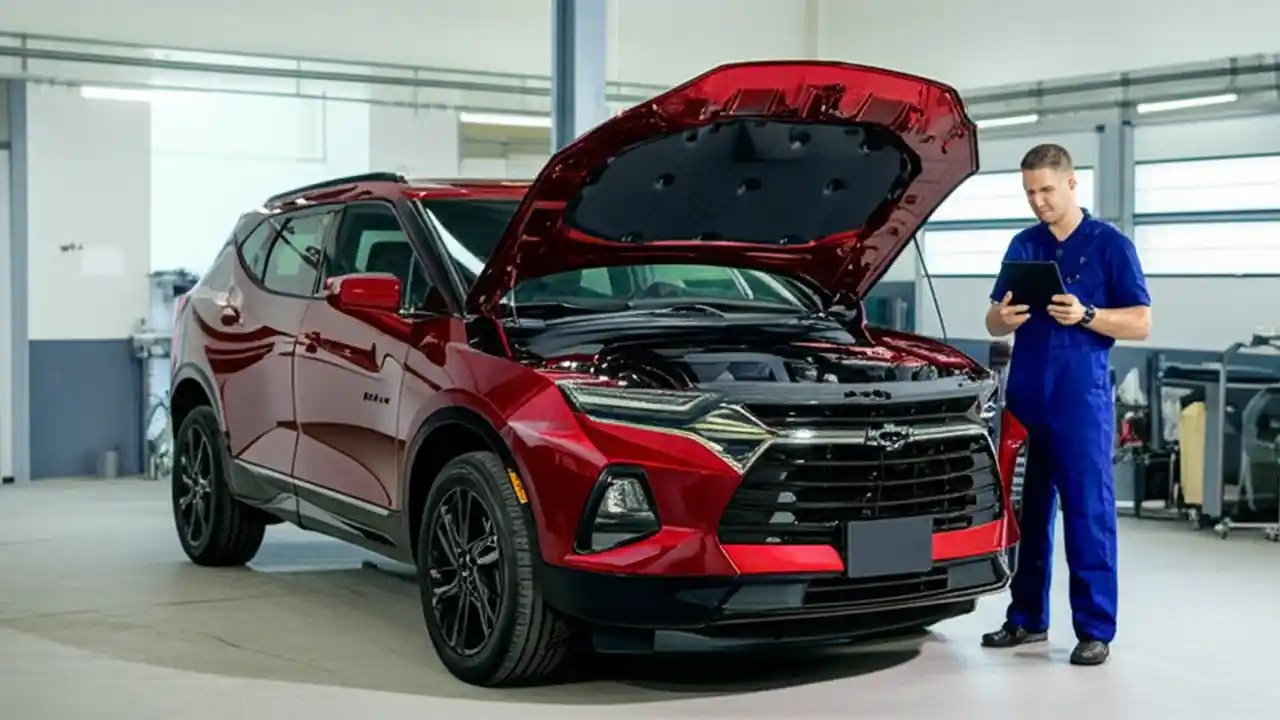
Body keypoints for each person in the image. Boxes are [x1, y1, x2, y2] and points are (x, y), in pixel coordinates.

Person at [979, 143, 1151, 666]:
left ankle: (1095, 629)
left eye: (1046, 190)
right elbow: (993, 319)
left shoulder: (1110, 245)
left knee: (1087, 513)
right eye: (1029, 192)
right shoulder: (1023, 244)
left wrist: (1087, 314)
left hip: (1081, 401)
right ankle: (1027, 617)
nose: (1038, 201)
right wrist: (1002, 321)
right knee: (1027, 514)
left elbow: (1141, 323)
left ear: (1072, 184)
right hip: (1027, 397)